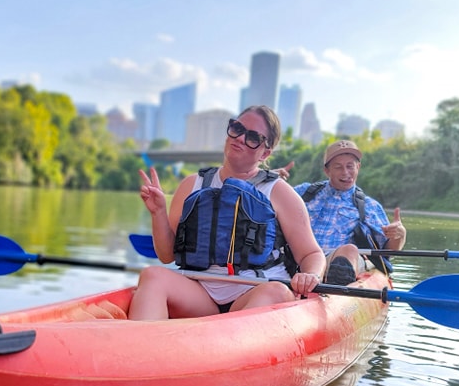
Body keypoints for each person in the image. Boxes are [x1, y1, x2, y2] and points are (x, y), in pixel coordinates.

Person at [128, 105, 327, 321]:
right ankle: (141, 349)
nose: (240, 138)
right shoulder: (191, 184)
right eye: (237, 128)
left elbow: (311, 254)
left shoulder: (279, 192)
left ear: (265, 152)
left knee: (277, 291)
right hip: (202, 294)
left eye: (252, 137)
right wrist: (158, 213)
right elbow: (166, 255)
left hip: (255, 291)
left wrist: (311, 275)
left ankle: (225, 345)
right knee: (152, 275)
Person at [291, 139, 407, 285]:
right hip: (301, 258)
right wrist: (273, 180)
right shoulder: (304, 192)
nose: (345, 172)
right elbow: (270, 204)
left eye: (350, 166)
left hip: (337, 259)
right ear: (327, 170)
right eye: (338, 167)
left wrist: (399, 236)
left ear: (358, 167)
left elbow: (387, 251)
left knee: (349, 251)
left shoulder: (369, 206)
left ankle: (335, 292)